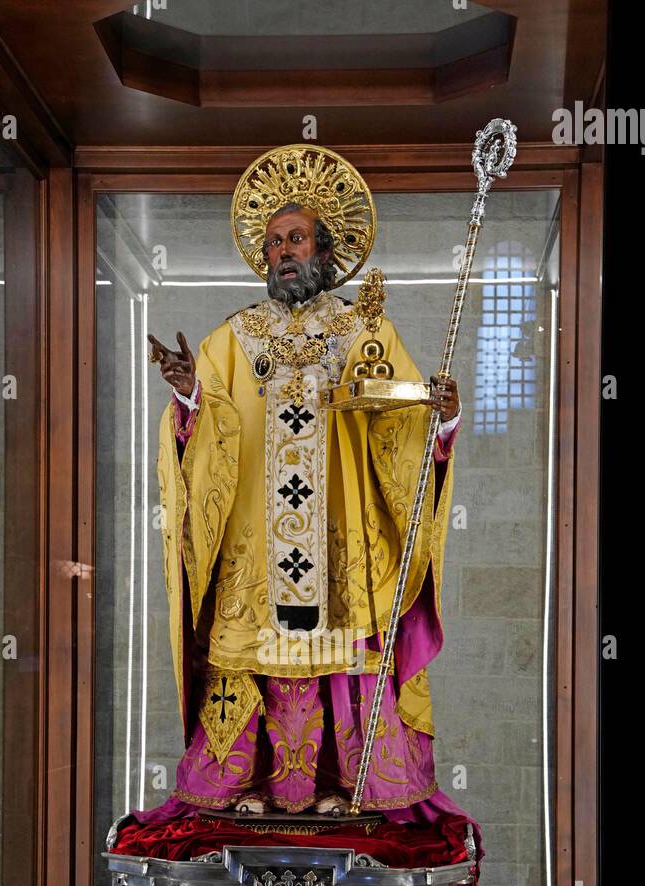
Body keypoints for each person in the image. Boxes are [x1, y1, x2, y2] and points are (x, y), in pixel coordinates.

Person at [133, 144, 477, 834]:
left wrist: (440, 418)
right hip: (254, 550)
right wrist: (192, 393)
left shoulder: (362, 330)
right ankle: (249, 782)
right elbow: (207, 435)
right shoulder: (233, 337)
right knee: (246, 655)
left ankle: (342, 782)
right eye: (271, 245)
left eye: (294, 239)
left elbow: (399, 424)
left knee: (342, 655)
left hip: (341, 541)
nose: (281, 253)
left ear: (325, 251)